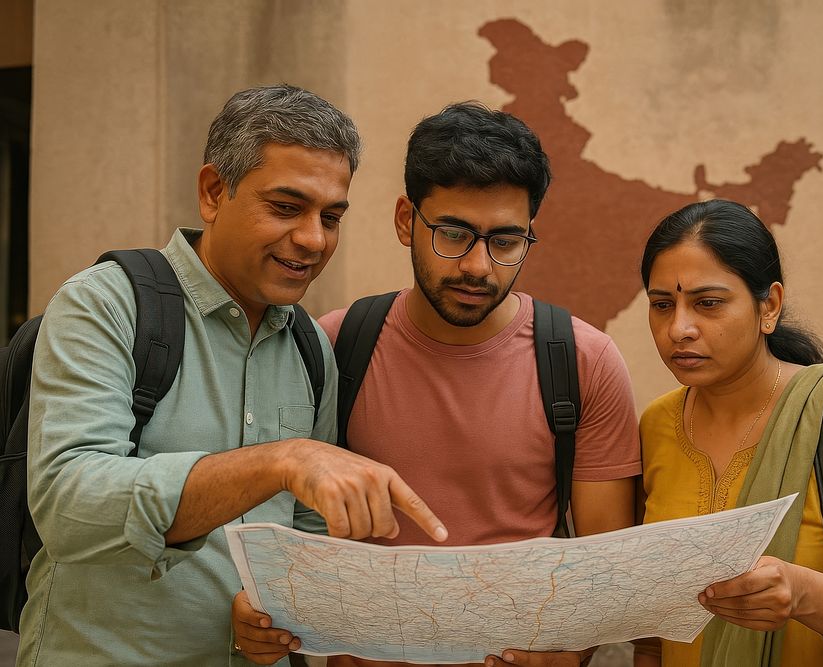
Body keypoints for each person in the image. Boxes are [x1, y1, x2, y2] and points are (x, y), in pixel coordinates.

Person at [17, 84, 447, 667]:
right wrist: (281, 460)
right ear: (214, 192)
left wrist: (274, 616)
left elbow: (301, 539)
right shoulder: (105, 305)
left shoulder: (310, 346)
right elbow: (69, 506)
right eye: (286, 207)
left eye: (332, 216)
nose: (314, 239)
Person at [232, 102, 642, 667]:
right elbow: (279, 534)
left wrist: (569, 651)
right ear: (406, 220)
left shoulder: (581, 360)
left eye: (505, 240)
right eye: (453, 233)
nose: (478, 266)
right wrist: (256, 619)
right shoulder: (332, 345)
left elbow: (605, 567)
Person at [633, 199, 823, 666]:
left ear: (769, 306)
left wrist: (801, 593)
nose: (679, 328)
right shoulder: (657, 426)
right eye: (662, 305)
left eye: (708, 303)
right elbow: (653, 632)